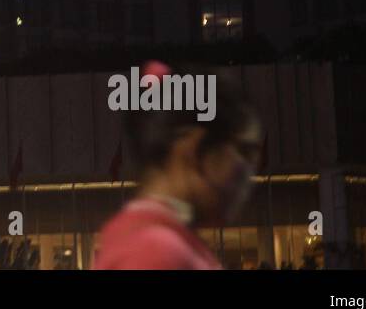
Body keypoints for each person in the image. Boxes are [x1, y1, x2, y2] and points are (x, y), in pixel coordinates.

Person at [94, 61, 262, 270]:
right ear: (193, 148)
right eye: (244, 152)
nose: (249, 173)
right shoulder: (157, 251)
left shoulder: (147, 237)